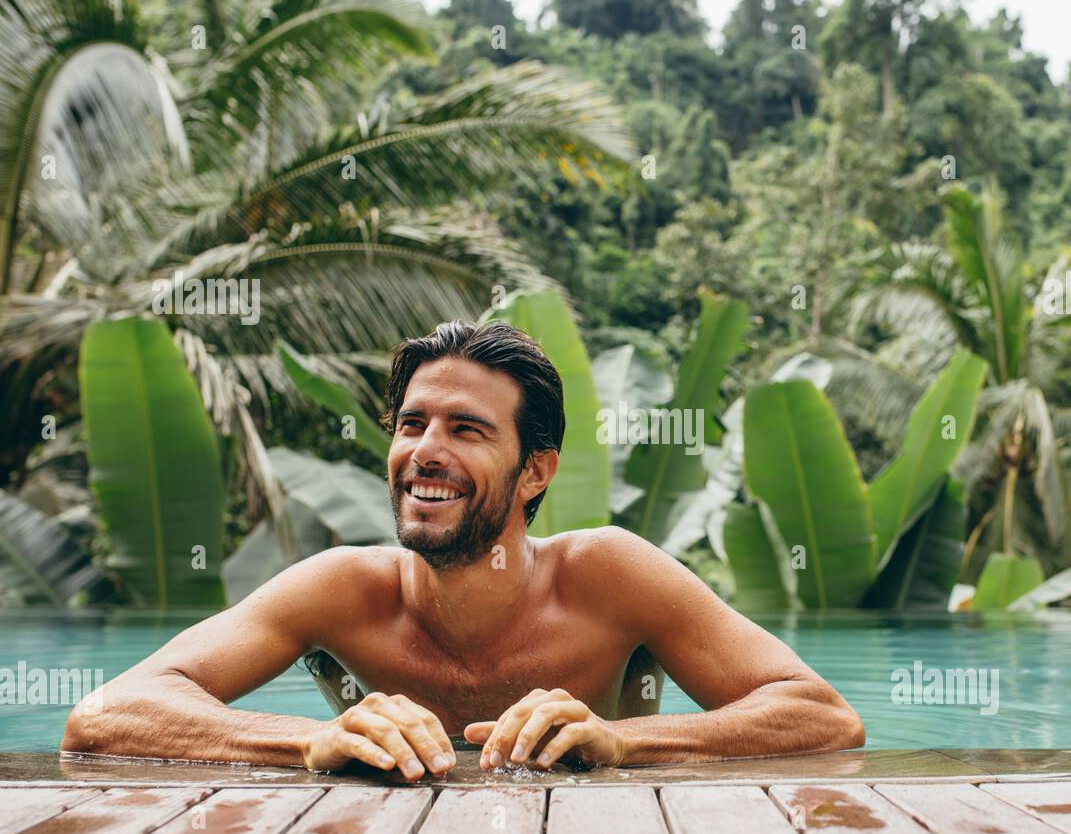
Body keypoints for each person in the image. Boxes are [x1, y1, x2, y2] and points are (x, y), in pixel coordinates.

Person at [62, 321, 864, 780]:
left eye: (467, 430)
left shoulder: (612, 576)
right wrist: (306, 741)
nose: (425, 451)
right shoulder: (341, 591)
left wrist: (626, 741)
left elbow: (823, 717)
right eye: (412, 425)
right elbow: (100, 718)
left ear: (535, 472)